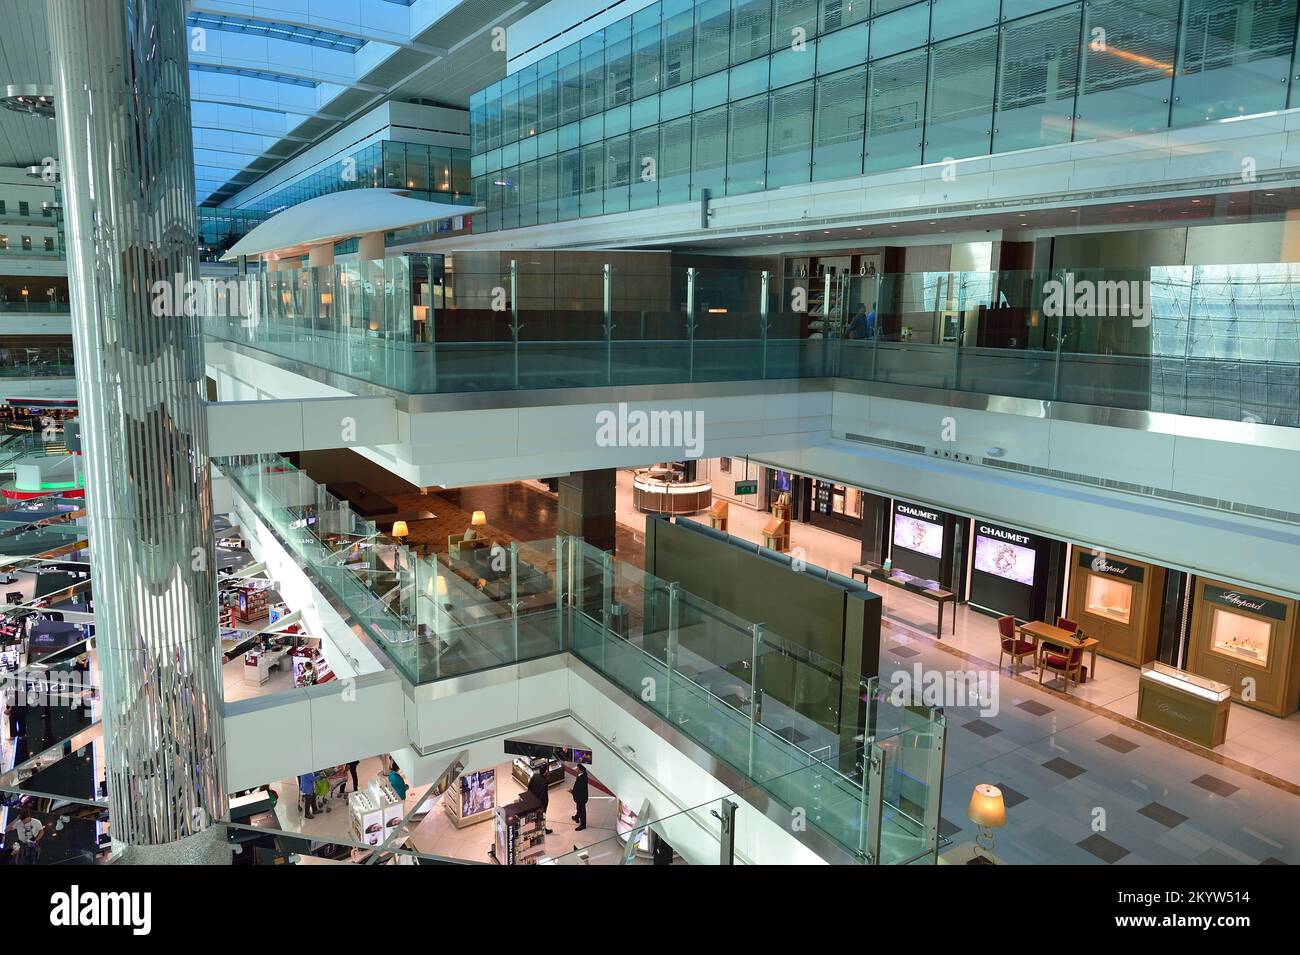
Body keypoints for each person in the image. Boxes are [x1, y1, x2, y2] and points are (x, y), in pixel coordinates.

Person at [526, 765, 553, 835]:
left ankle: (534, 825)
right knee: (542, 815)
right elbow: (543, 793)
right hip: (541, 802)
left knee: (534, 814)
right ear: (546, 771)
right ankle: (543, 829)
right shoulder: (545, 781)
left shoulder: (534, 776)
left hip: (533, 799)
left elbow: (529, 787)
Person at [569, 764, 589, 832]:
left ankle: (583, 824)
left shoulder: (581, 779)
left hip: (581, 797)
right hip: (581, 796)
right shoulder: (583, 774)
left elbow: (579, 790)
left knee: (581, 810)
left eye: (577, 769)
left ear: (580, 770)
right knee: (579, 808)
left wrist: (572, 792)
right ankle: (577, 817)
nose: (576, 770)